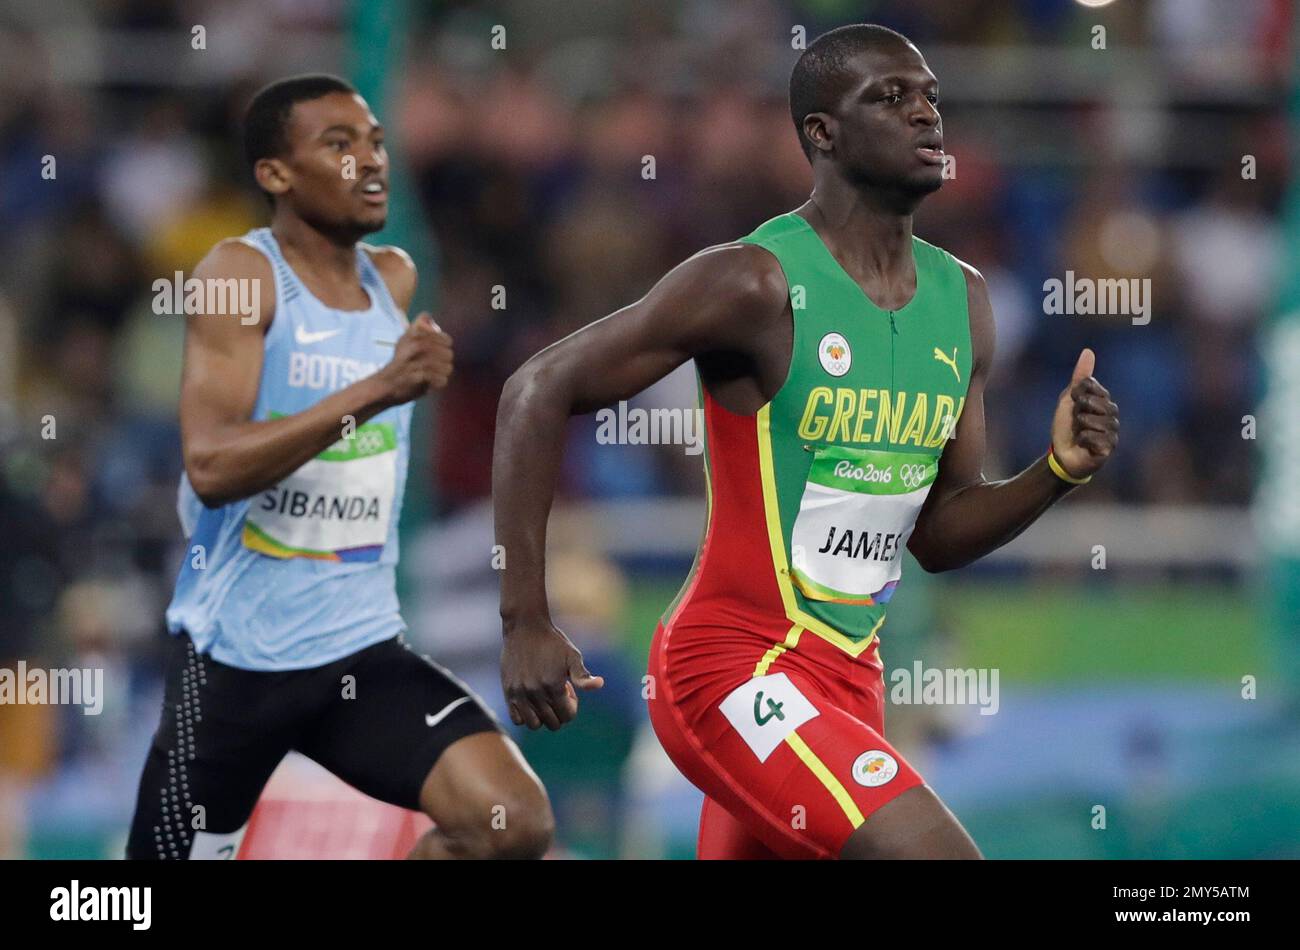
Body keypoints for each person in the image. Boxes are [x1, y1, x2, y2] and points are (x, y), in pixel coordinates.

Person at [491, 25, 1119, 859]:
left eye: (931, 96)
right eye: (891, 98)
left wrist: (1056, 472)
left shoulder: (963, 301)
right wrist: (525, 619)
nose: (926, 114)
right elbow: (536, 389)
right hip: (732, 670)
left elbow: (938, 533)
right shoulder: (753, 280)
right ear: (822, 133)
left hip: (849, 686)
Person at [127, 75, 552, 860]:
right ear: (275, 174)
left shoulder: (394, 278)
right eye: (339, 144)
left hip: (358, 653)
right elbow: (211, 466)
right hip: (234, 664)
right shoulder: (240, 275)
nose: (371, 161)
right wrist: (379, 388)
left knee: (509, 822)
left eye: (376, 142)